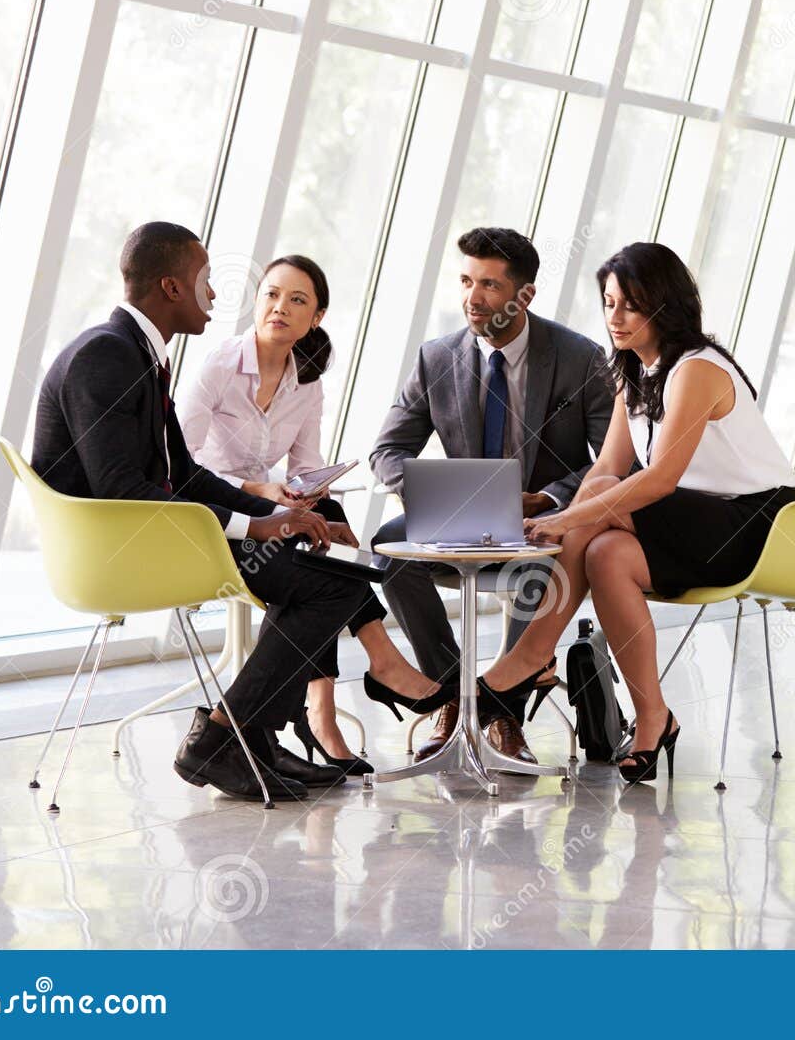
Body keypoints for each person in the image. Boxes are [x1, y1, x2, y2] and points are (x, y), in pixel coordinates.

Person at [31, 222, 455, 802]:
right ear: (172, 287)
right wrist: (256, 522)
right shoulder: (108, 356)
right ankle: (229, 737)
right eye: (205, 279)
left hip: (162, 529)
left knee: (325, 555)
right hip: (125, 548)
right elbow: (121, 487)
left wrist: (274, 516)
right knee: (328, 584)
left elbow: (185, 473)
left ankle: (250, 739)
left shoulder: (137, 355)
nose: (215, 293)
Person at [477, 242, 795, 783]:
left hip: (753, 525)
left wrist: (562, 522)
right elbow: (608, 469)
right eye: (608, 303)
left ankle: (530, 655)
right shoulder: (633, 373)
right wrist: (576, 521)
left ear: (665, 306)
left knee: (592, 521)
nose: (616, 317)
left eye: (631, 304)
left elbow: (659, 479)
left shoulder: (695, 370)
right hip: (686, 523)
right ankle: (654, 716)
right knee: (604, 554)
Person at [369, 227, 614, 768]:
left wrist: (550, 499)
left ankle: (504, 706)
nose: (472, 298)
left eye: (489, 285)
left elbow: (612, 462)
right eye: (465, 281)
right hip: (462, 519)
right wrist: (434, 492)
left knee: (542, 565)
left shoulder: (579, 358)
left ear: (523, 294)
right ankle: (455, 696)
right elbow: (387, 448)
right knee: (388, 551)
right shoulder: (437, 358)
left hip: (541, 526)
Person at [180, 254, 375, 776]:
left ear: (317, 317)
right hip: (213, 519)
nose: (279, 308)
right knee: (333, 578)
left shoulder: (306, 381)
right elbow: (181, 466)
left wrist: (303, 492)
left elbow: (306, 464)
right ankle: (347, 688)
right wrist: (256, 488)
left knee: (327, 521)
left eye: (297, 300)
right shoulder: (221, 366)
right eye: (270, 294)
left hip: (267, 515)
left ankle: (274, 729)